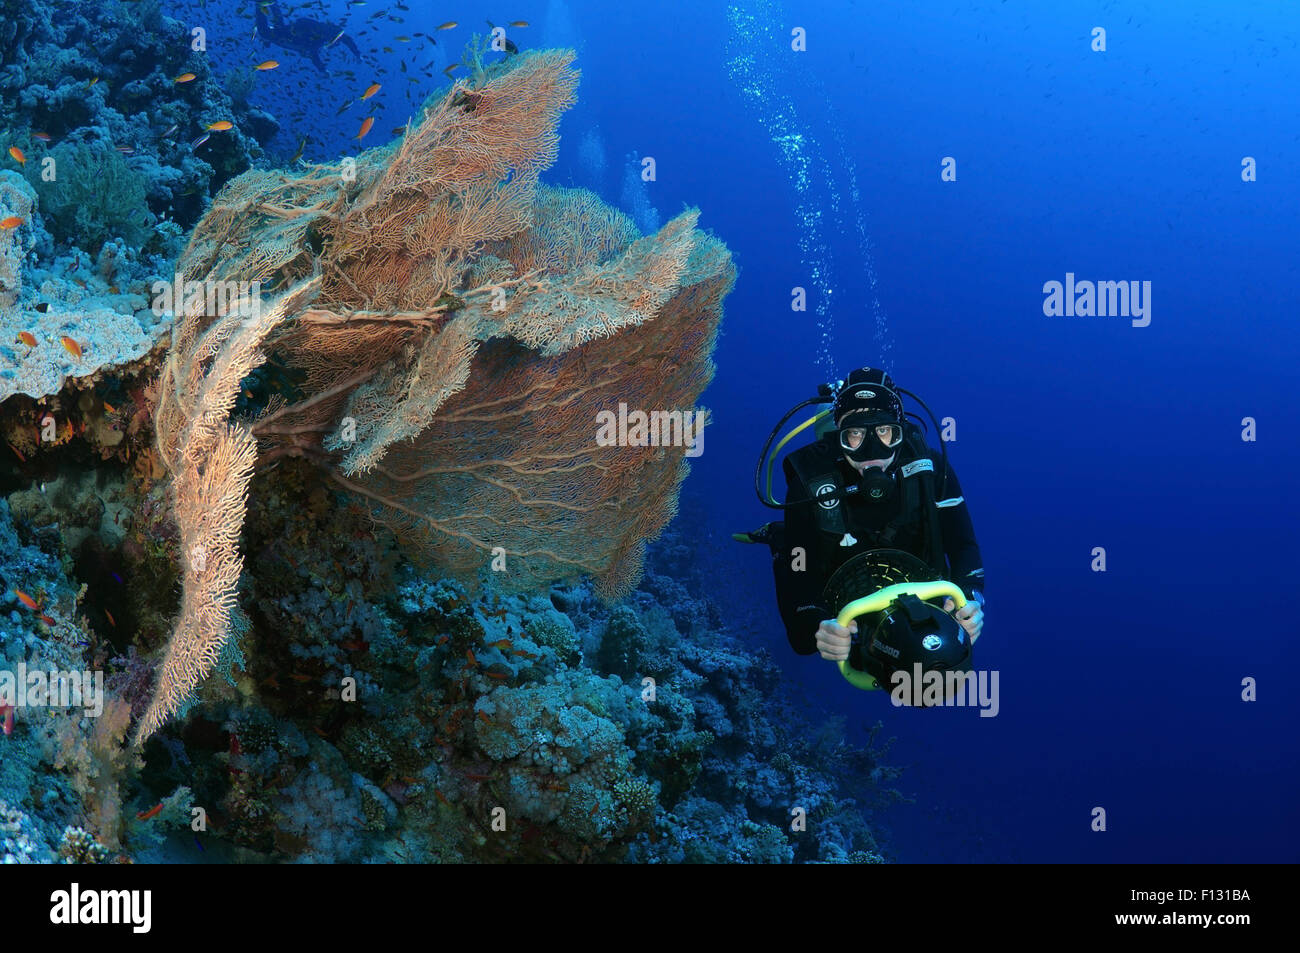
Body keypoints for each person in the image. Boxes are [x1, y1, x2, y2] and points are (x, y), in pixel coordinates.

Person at [739, 367, 985, 663]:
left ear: (900, 431)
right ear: (838, 435)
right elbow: (798, 571)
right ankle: (781, 536)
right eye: (854, 434)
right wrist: (816, 624)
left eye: (884, 432)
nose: (871, 450)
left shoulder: (931, 470)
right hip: (837, 578)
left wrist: (971, 598)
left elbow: (962, 545)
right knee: (804, 644)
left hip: (917, 583)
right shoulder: (811, 480)